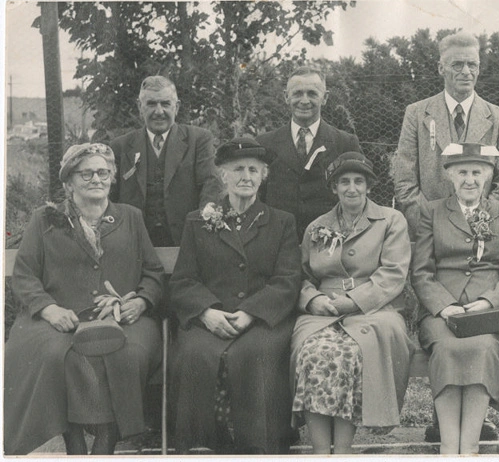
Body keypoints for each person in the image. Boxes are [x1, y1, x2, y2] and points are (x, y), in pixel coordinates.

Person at [5, 143, 164, 455]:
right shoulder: (45, 219)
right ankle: (73, 443)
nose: (96, 179)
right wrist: (49, 309)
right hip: (60, 319)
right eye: (86, 173)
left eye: (103, 172)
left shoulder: (130, 217)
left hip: (122, 318)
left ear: (112, 178)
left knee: (127, 354)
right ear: (69, 182)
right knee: (59, 355)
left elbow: (153, 272)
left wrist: (141, 302)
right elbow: (24, 275)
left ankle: (106, 442)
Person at [169, 138, 302, 454]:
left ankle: (260, 447)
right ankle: (200, 444)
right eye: (238, 169)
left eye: (253, 170)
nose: (246, 176)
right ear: (223, 175)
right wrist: (206, 312)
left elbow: (287, 280)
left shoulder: (281, 222)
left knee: (254, 355)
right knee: (195, 354)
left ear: (263, 176)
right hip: (210, 319)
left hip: (262, 320)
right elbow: (184, 280)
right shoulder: (198, 220)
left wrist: (250, 313)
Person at [291, 152, 415, 454]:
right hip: (322, 311)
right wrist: (313, 300)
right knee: (314, 351)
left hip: (375, 309)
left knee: (349, 352)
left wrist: (352, 302)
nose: (351, 188)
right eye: (344, 182)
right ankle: (321, 451)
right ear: (333, 187)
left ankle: (344, 450)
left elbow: (393, 274)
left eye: (359, 181)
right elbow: (301, 277)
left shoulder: (390, 220)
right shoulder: (317, 226)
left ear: (369, 186)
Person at [411, 143, 499, 454]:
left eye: (477, 172)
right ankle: (450, 448)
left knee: (481, 347)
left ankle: (470, 447)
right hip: (441, 314)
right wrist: (444, 306)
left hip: (488, 314)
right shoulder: (432, 212)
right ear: (450, 175)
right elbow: (421, 271)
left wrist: (489, 302)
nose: (470, 180)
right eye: (462, 172)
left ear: (488, 175)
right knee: (447, 348)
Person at [393, 31, 499, 240]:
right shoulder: (416, 114)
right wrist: (431, 226)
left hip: (482, 235)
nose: (466, 72)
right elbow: (404, 181)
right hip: (430, 235)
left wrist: (479, 224)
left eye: (472, 65)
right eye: (457, 65)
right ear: (441, 68)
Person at [110, 75, 222, 246]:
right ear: (140, 107)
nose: (159, 111)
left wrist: (203, 228)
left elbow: (211, 184)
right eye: (151, 104)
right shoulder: (121, 146)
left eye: (165, 104)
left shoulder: (198, 140)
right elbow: (110, 197)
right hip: (135, 242)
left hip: (185, 240)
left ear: (176, 107)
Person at [257, 66, 362, 242]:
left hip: (328, 244)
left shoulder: (345, 143)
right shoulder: (264, 143)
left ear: (325, 97)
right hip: (277, 243)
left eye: (312, 93)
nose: (304, 101)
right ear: (286, 96)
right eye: (297, 93)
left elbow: (357, 197)